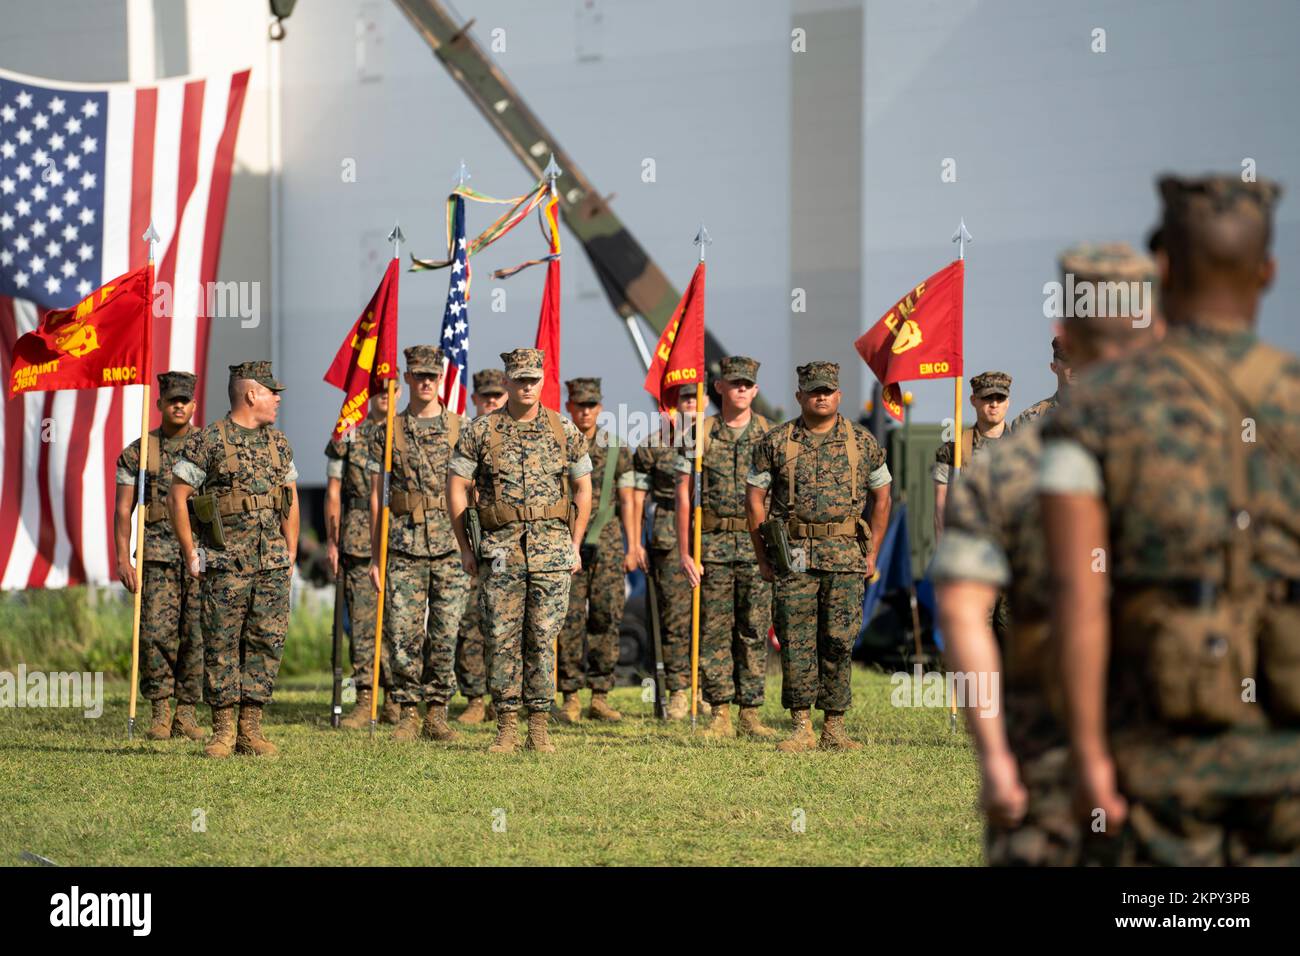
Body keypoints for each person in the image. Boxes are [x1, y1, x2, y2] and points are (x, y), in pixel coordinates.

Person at [1041, 174, 1300, 865]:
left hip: (1158, 749)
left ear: (1161, 270)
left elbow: (1076, 591)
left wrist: (1088, 752)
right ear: (1269, 272)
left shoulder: (1098, 408)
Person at [934, 242, 1161, 866]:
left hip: (1050, 757)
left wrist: (997, 758)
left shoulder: (1010, 464)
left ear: (1067, 334)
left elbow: (959, 611)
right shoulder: (1212, 450)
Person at [447, 348, 593, 753]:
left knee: (544, 637)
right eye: (520, 379)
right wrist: (466, 546)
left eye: (534, 379)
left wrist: (575, 543)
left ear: (543, 381)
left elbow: (583, 486)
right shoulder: (481, 430)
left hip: (551, 554)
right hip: (500, 551)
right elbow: (457, 486)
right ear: (507, 382)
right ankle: (507, 726)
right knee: (502, 636)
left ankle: (540, 728)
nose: (527, 386)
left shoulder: (564, 430)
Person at [745, 361, 891, 752]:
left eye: (827, 390)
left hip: (844, 555)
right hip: (792, 557)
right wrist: (763, 556)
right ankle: (801, 726)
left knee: (839, 640)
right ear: (800, 396)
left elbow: (883, 496)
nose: (821, 396)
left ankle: (835, 727)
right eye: (813, 391)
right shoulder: (776, 442)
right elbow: (754, 499)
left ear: (839, 395)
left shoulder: (862, 442)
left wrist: (872, 550)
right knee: (795, 640)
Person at [169, 361, 299, 758]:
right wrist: (191, 551)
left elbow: (290, 498)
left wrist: (290, 552)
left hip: (271, 563)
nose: (277, 399)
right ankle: (223, 731)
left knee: (265, 643)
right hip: (227, 563)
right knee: (221, 644)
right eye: (270, 391)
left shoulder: (279, 442)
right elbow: (177, 497)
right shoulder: (208, 441)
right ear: (250, 394)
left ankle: (251, 730)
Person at [367, 346, 471, 743]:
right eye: (418, 375)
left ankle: (437, 714)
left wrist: (473, 547)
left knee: (445, 633)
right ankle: (408, 712)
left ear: (440, 378)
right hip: (404, 545)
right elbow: (379, 497)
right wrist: (377, 558)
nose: (426, 381)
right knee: (404, 633)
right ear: (406, 379)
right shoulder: (388, 432)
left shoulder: (461, 428)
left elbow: (472, 492)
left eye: (432, 375)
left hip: (450, 545)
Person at [676, 356, 776, 738]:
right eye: (734, 383)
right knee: (715, 631)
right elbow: (683, 496)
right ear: (718, 387)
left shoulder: (769, 435)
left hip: (756, 548)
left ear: (755, 389)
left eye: (747, 384)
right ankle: (719, 712)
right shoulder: (700, 434)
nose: (740, 389)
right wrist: (686, 552)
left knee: (753, 628)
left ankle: (750, 713)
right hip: (712, 547)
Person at [114, 371, 205, 741]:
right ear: (160, 405)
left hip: (198, 556)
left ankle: (186, 712)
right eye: (172, 400)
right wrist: (123, 558)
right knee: (155, 634)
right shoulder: (139, 451)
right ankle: (161, 711)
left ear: (194, 405)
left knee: (196, 634)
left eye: (185, 400)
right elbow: (123, 510)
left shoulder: (207, 446)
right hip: (156, 556)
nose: (179, 405)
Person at [555, 377, 637, 723]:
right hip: (564, 540)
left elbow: (630, 501)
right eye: (579, 404)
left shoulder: (616, 447)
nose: (585, 411)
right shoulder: (556, 444)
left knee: (606, 616)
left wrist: (634, 546)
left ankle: (600, 695)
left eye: (591, 405)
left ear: (600, 408)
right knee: (568, 619)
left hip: (607, 542)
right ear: (569, 406)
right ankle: (570, 695)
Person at [325, 386, 398, 728]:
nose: (385, 395)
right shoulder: (349, 434)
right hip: (356, 538)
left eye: (391, 387)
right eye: (379, 388)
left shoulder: (406, 432)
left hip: (402, 537)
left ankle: (398, 700)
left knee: (401, 626)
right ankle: (360, 699)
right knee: (362, 627)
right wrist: (332, 540)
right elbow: (334, 491)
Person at [631, 387, 698, 719]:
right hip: (669, 539)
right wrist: (636, 542)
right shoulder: (652, 446)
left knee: (713, 617)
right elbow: (637, 498)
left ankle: (711, 689)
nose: (690, 404)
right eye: (683, 399)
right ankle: (679, 690)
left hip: (713, 536)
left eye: (694, 398)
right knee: (674, 617)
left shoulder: (714, 440)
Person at [455, 368, 507, 724]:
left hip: (503, 545)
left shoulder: (512, 439)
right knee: (470, 622)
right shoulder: (464, 437)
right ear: (474, 399)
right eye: (485, 397)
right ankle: (474, 698)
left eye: (496, 396)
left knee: (504, 623)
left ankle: (502, 700)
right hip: (470, 541)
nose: (490, 402)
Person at [933, 371, 1011, 538]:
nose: (994, 404)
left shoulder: (1023, 445)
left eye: (1000, 398)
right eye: (988, 398)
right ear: (973, 400)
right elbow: (941, 510)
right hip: (969, 545)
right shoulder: (953, 450)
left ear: (1008, 403)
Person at [1010, 338, 1072, 433]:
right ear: (1054, 367)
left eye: (1080, 361)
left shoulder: (1101, 414)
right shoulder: (1029, 419)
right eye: (1068, 362)